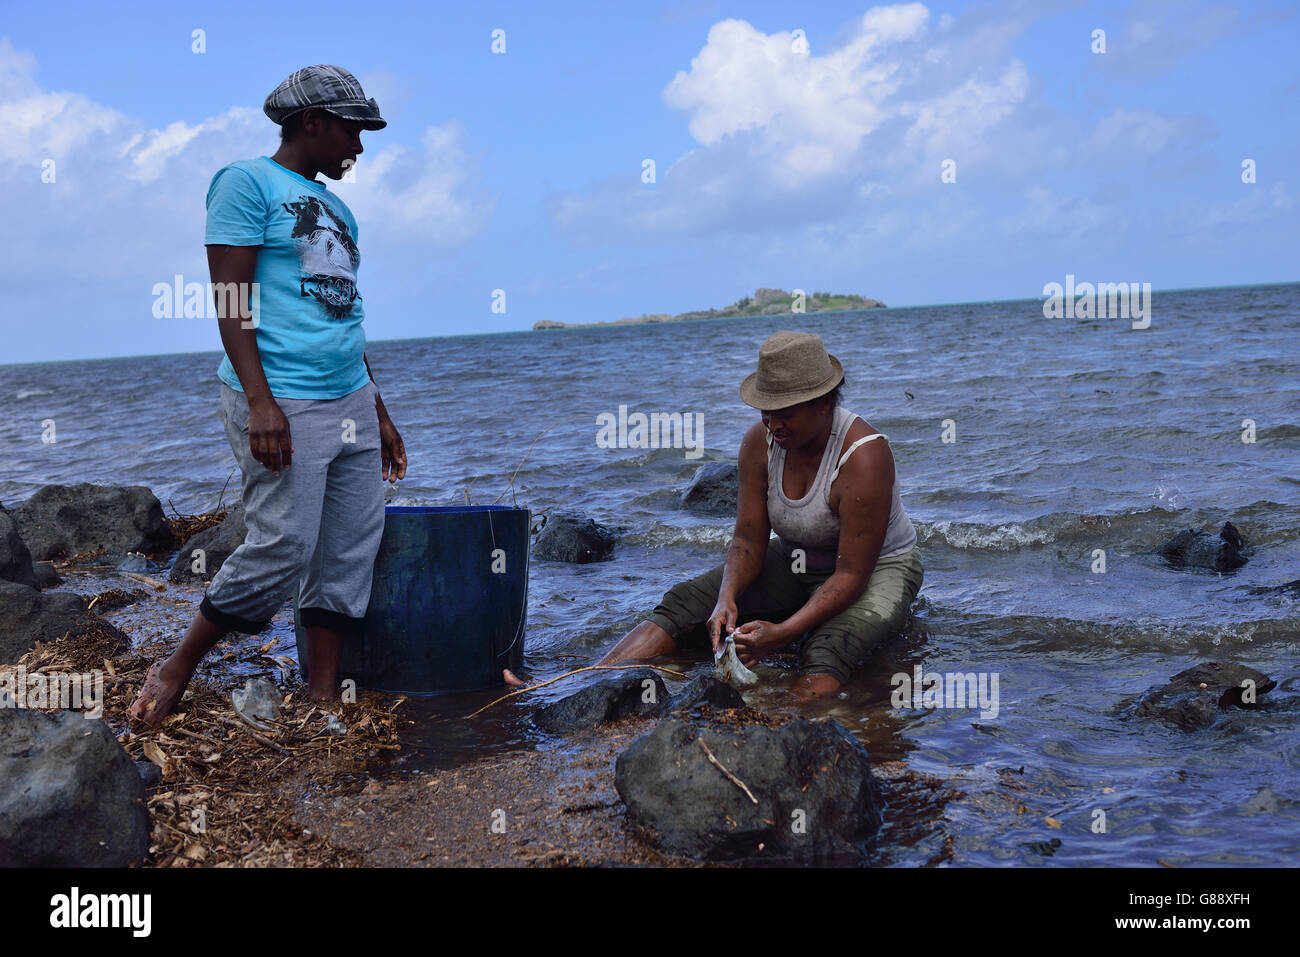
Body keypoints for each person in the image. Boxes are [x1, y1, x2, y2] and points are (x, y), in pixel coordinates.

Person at [129, 65, 407, 730]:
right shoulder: (244, 182)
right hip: (282, 396)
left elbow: (344, 314)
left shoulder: (338, 208)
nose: (359, 147)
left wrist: (379, 409)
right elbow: (231, 298)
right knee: (282, 543)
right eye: (351, 131)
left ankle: (318, 695)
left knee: (349, 545)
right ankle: (174, 668)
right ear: (311, 123)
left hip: (349, 397)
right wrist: (260, 400)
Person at [598, 330, 922, 702]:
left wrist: (782, 633)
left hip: (876, 570)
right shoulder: (759, 443)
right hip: (797, 560)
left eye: (785, 414)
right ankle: (589, 681)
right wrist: (727, 598)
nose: (773, 425)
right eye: (766, 412)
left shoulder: (864, 455)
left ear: (824, 403)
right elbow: (748, 540)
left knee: (826, 650)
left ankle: (781, 732)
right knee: (685, 604)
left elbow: (850, 574)